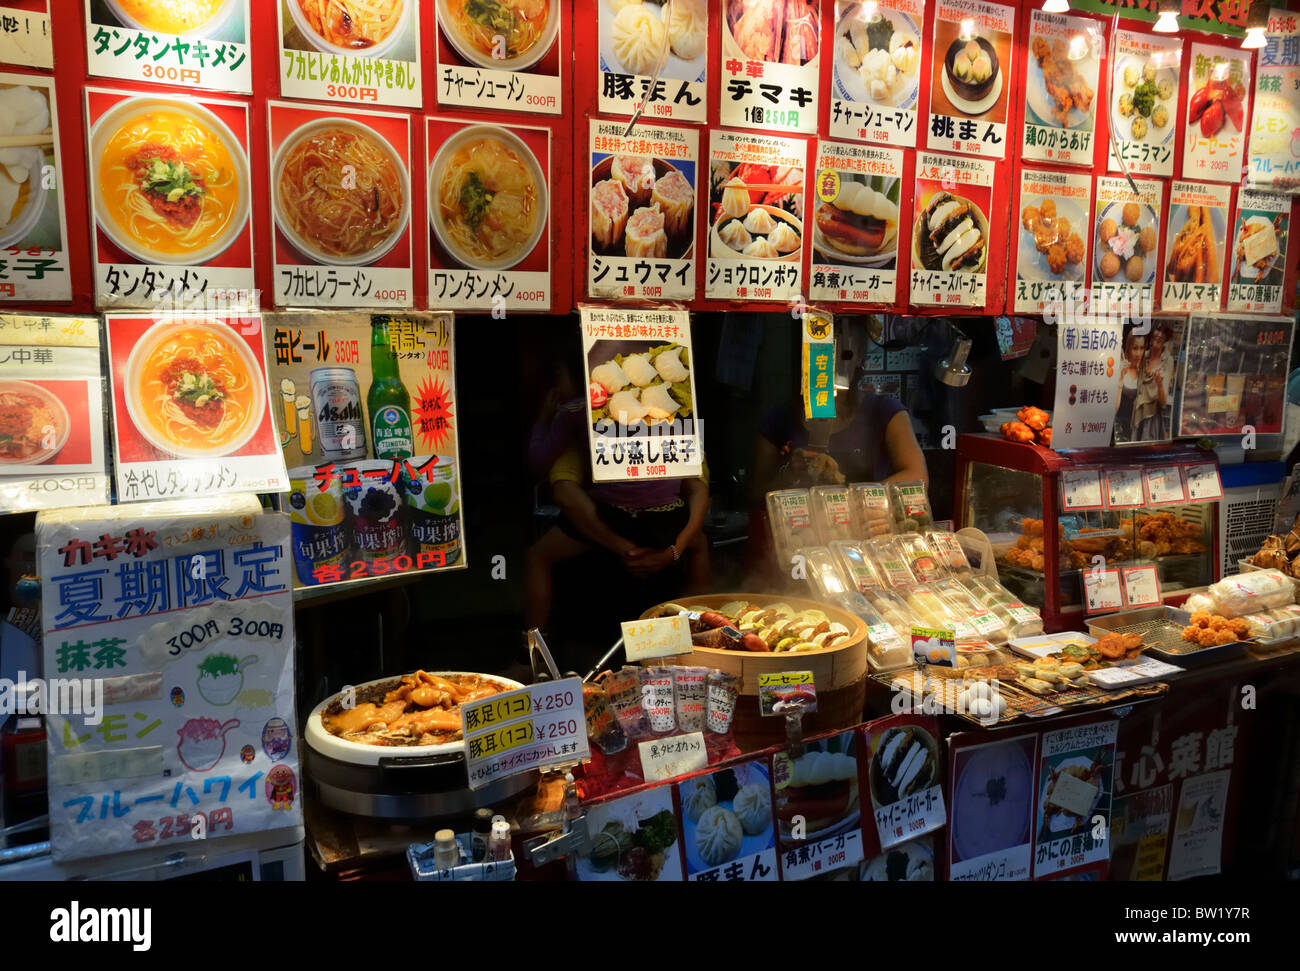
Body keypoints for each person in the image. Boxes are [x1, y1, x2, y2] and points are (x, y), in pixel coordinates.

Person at [754, 379, 929, 488]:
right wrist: (789, 474)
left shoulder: (885, 411)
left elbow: (917, 477)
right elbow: (755, 494)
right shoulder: (779, 418)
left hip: (872, 530)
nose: (833, 394)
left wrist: (860, 500)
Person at [1133, 323, 1175, 442]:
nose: (1160, 334)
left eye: (1164, 333)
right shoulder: (1142, 355)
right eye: (1158, 330)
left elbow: (1163, 401)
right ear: (1151, 335)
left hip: (1152, 419)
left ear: (1166, 338)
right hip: (1136, 414)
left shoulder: (1168, 360)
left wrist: (1160, 384)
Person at [1114, 331, 1145, 443]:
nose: (1138, 353)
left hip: (1138, 432)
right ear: (1128, 348)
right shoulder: (1121, 368)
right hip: (1119, 431)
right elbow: (1114, 410)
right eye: (1135, 348)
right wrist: (1120, 378)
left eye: (1141, 348)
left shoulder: (1143, 370)